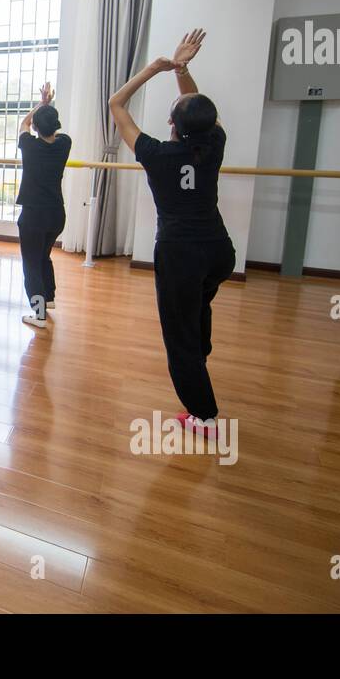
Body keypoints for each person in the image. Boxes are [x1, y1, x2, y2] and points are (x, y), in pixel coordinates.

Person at [109, 29, 235, 438]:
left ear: (171, 125)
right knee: (198, 310)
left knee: (178, 336)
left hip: (180, 254)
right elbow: (199, 110)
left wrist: (153, 69)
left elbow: (116, 104)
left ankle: (204, 416)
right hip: (218, 250)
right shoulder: (213, 144)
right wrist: (182, 69)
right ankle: (200, 358)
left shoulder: (156, 154)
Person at [14, 82, 71, 328]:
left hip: (33, 216)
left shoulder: (29, 145)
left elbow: (23, 124)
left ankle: (38, 314)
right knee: (43, 257)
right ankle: (48, 299)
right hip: (57, 214)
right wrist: (47, 109)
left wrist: (40, 104)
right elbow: (39, 127)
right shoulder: (64, 143)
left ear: (36, 127)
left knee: (31, 263)